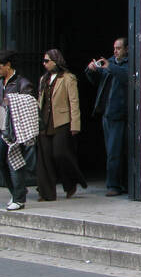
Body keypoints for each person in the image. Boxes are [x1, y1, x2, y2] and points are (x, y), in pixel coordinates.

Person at [36, 48, 86, 200]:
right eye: (43, 61)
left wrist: (75, 125)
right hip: (44, 122)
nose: (44, 64)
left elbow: (74, 102)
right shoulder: (43, 79)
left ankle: (71, 182)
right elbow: (40, 102)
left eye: (47, 61)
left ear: (55, 61)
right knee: (44, 158)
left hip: (62, 122)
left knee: (60, 154)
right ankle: (46, 192)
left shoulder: (68, 78)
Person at [86, 37, 130, 197]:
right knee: (112, 151)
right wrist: (92, 70)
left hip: (119, 114)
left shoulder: (127, 64)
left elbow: (127, 78)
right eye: (114, 48)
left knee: (115, 152)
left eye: (119, 48)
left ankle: (114, 185)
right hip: (106, 114)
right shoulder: (109, 63)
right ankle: (117, 183)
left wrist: (110, 67)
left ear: (127, 49)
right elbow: (96, 81)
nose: (115, 51)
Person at [0, 50, 35, 210]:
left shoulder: (22, 83)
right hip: (1, 128)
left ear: (8, 65)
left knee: (15, 162)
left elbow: (29, 104)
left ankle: (19, 198)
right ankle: (16, 191)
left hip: (16, 129)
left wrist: (12, 102)